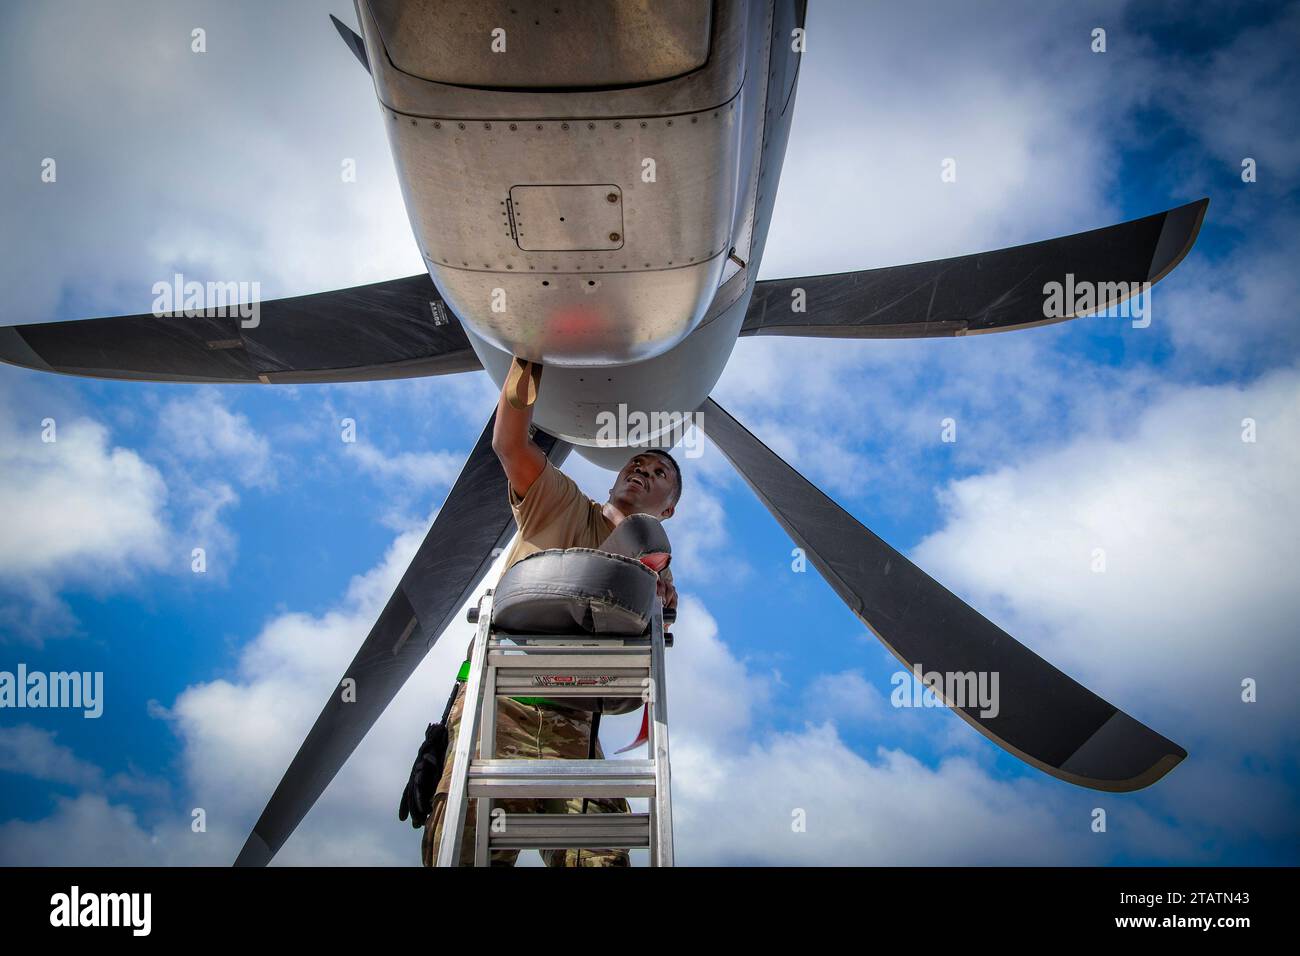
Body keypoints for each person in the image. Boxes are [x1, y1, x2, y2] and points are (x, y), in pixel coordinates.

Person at [421, 364, 681, 867]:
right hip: (501, 706)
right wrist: (526, 357)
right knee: (464, 847)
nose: (642, 471)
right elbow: (510, 445)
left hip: (575, 726)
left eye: (659, 473)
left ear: (669, 508)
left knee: (603, 858)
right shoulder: (557, 501)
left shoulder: (652, 570)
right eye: (637, 463)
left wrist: (661, 597)